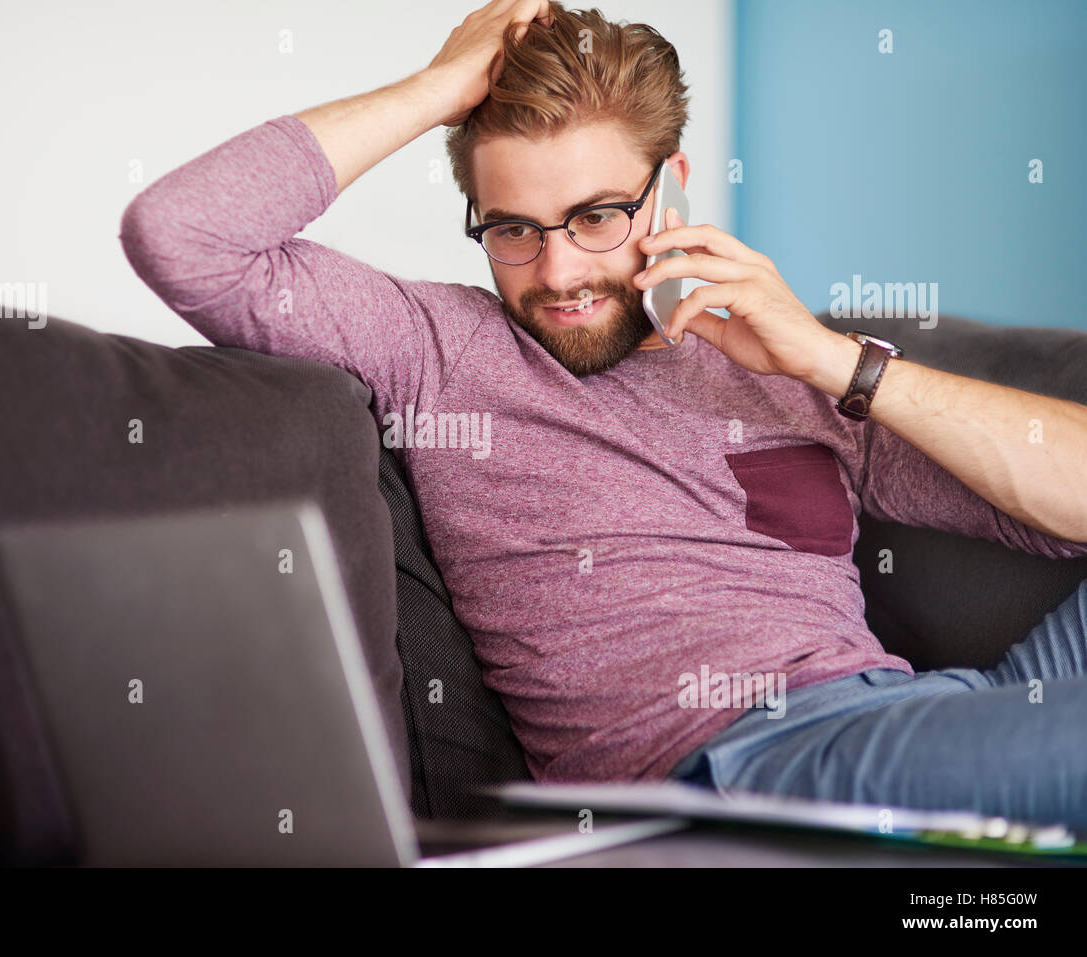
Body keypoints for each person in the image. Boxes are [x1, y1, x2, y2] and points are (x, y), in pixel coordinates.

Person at [119, 0, 1087, 830]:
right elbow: (183, 237)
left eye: (595, 217)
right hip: (752, 770)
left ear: (669, 189)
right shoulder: (437, 347)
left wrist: (827, 360)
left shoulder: (791, 366)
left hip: (927, 712)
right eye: (512, 230)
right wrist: (436, 90)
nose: (558, 273)